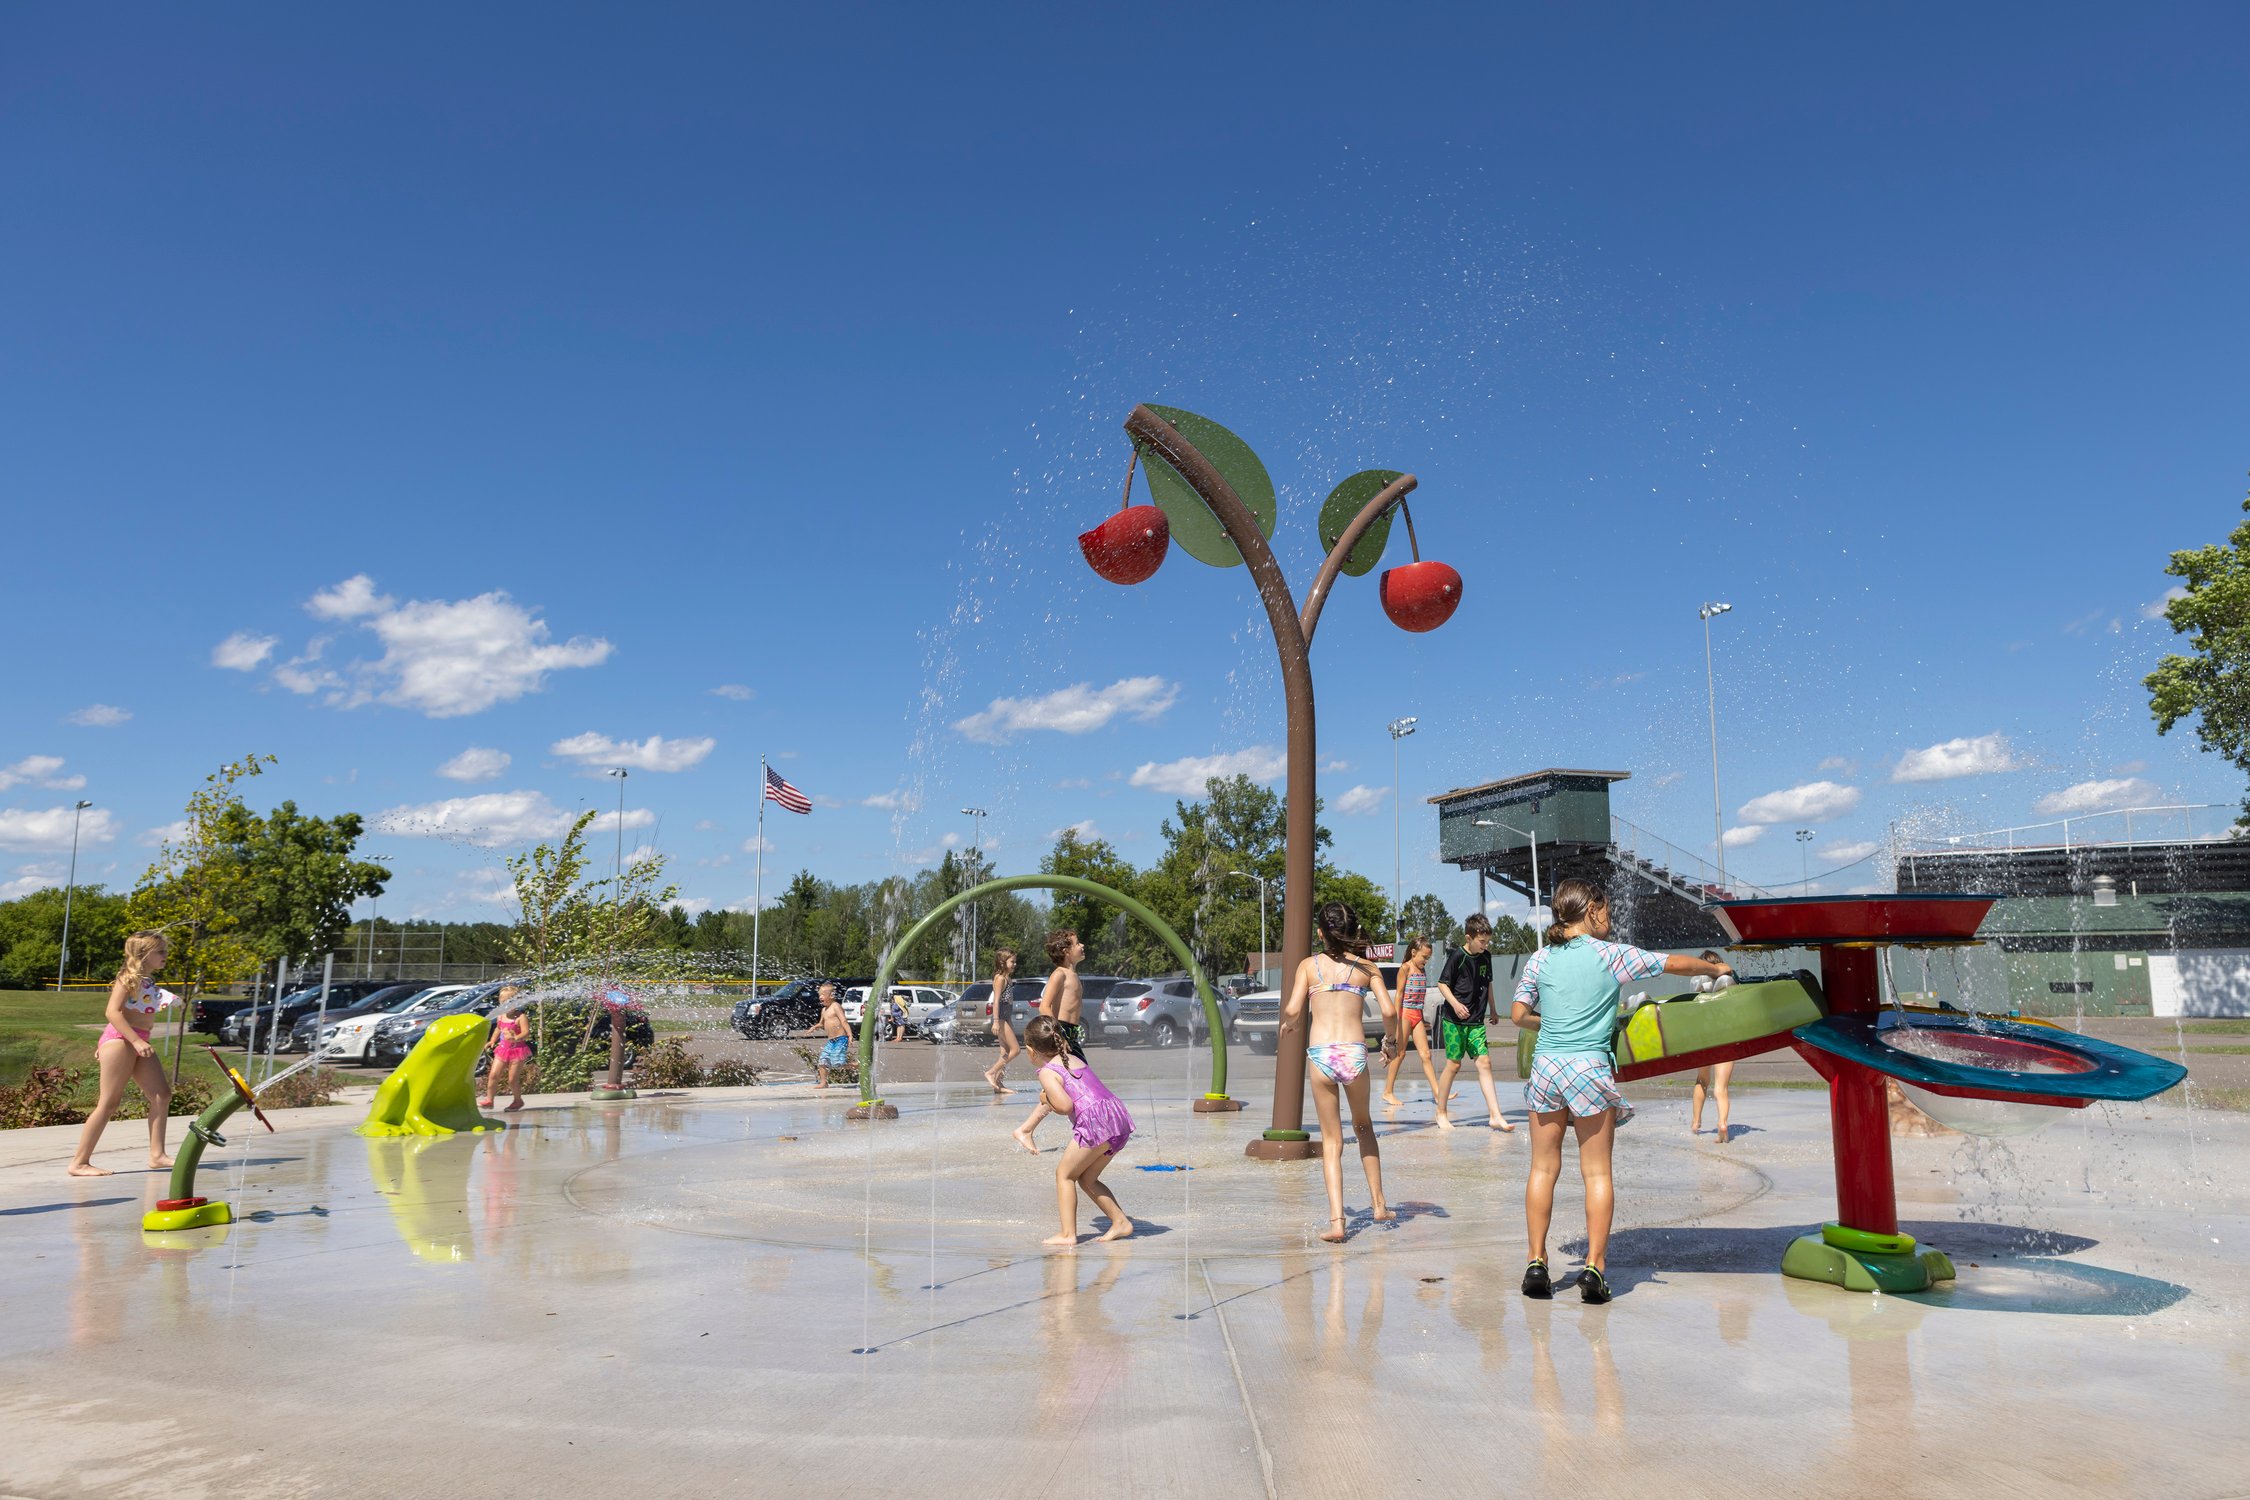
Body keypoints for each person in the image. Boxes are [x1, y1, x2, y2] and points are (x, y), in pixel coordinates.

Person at [1511, 878, 1732, 1304]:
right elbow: (1674, 965)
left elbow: (1519, 1014)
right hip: (1589, 1069)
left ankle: (1536, 1263)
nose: (1610, 917)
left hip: (1547, 1069)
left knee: (1542, 1169)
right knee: (1596, 1173)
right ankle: (1594, 1269)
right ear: (1591, 909)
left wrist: (1554, 1026)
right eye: (1606, 909)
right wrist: (1714, 969)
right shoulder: (1611, 955)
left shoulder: (1540, 959)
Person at [1281, 901, 1401, 1242]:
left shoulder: (1309, 966)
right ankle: (1378, 1205)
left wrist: (1290, 1025)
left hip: (1320, 1055)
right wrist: (1390, 1043)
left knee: (1332, 1141)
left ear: (1321, 933)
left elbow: (1292, 1008)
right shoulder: (1367, 968)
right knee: (1363, 1127)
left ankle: (1337, 1223)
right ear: (1354, 933)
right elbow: (1389, 1011)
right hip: (1353, 1053)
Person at [68, 930, 177, 1177]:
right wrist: (136, 1041)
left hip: (138, 1040)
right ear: (144, 954)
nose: (165, 956)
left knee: (161, 1095)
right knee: (109, 1103)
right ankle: (79, 1162)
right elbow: (112, 1012)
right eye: (160, 951)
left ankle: (157, 1155)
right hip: (121, 1041)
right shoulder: (128, 978)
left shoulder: (147, 980)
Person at [1024, 1015, 1134, 1246]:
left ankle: (1067, 1234)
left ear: (1031, 1050)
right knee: (1088, 1179)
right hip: (1116, 1116)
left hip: (1096, 1123)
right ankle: (1120, 1222)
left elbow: (1065, 1106)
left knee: (1064, 1175)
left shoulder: (1047, 1071)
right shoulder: (1072, 1058)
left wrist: (1045, 1097)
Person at [1432, 915, 1513, 1132]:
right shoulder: (1458, 956)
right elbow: (1442, 984)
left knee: (1485, 1063)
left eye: (1487, 942)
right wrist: (1456, 1004)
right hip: (1454, 1021)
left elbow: (1489, 984)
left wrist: (1493, 1009)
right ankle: (1441, 1112)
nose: (1485, 946)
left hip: (1476, 1020)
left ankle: (1495, 1115)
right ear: (1469, 937)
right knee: (1454, 1064)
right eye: (1482, 942)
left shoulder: (1486, 956)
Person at [1011, 930, 1085, 1154]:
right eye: (1076, 943)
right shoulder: (1059, 974)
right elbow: (1044, 1007)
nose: (1082, 945)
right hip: (1061, 1032)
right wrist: (1059, 1036)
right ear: (1065, 951)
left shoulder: (1073, 974)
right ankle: (1028, 1129)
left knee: (1072, 1084)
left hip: (1070, 1033)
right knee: (1078, 1082)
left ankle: (1026, 1129)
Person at [1380, 936, 1449, 1107]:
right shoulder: (1405, 968)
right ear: (1413, 952)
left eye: (1428, 958)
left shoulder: (1421, 970)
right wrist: (1396, 1019)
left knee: (1426, 1054)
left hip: (1417, 1015)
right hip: (1405, 1014)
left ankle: (1437, 1092)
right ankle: (1387, 1092)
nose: (1426, 960)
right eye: (1424, 957)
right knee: (1400, 1053)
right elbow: (1399, 994)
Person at [1689, 951, 1736, 1142]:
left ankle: (1695, 1122)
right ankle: (1722, 1122)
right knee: (1721, 1088)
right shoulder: (1728, 987)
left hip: (1704, 1039)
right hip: (1726, 1039)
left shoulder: (1699, 992)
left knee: (1702, 1080)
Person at [479, 986, 531, 1112]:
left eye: (511, 1002)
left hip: (518, 1051)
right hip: (502, 1050)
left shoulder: (520, 1017)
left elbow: (526, 1033)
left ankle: (518, 1101)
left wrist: (516, 1037)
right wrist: (492, 1041)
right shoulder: (500, 1016)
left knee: (512, 1079)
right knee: (493, 1075)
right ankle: (489, 1100)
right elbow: (498, 1028)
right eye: (504, 1002)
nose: (507, 1005)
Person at [981, 947, 1022, 1093]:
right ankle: (991, 1072)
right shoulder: (1000, 978)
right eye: (1012, 962)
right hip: (1002, 1017)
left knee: (1005, 1053)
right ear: (1003, 962)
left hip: (1007, 1016)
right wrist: (996, 1021)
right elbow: (996, 1001)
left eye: (1015, 961)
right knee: (1016, 1050)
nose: (1015, 964)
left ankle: (998, 1085)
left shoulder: (1007, 978)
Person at [813, 982, 849, 1090]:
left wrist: (850, 1034)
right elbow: (821, 1023)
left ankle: (858, 1065)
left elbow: (843, 1020)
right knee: (822, 1061)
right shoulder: (824, 1010)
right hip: (831, 1040)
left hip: (841, 1038)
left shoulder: (836, 1006)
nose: (820, 997)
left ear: (831, 996)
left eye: (823, 995)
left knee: (838, 1063)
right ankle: (824, 1082)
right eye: (819, 995)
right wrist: (814, 1027)